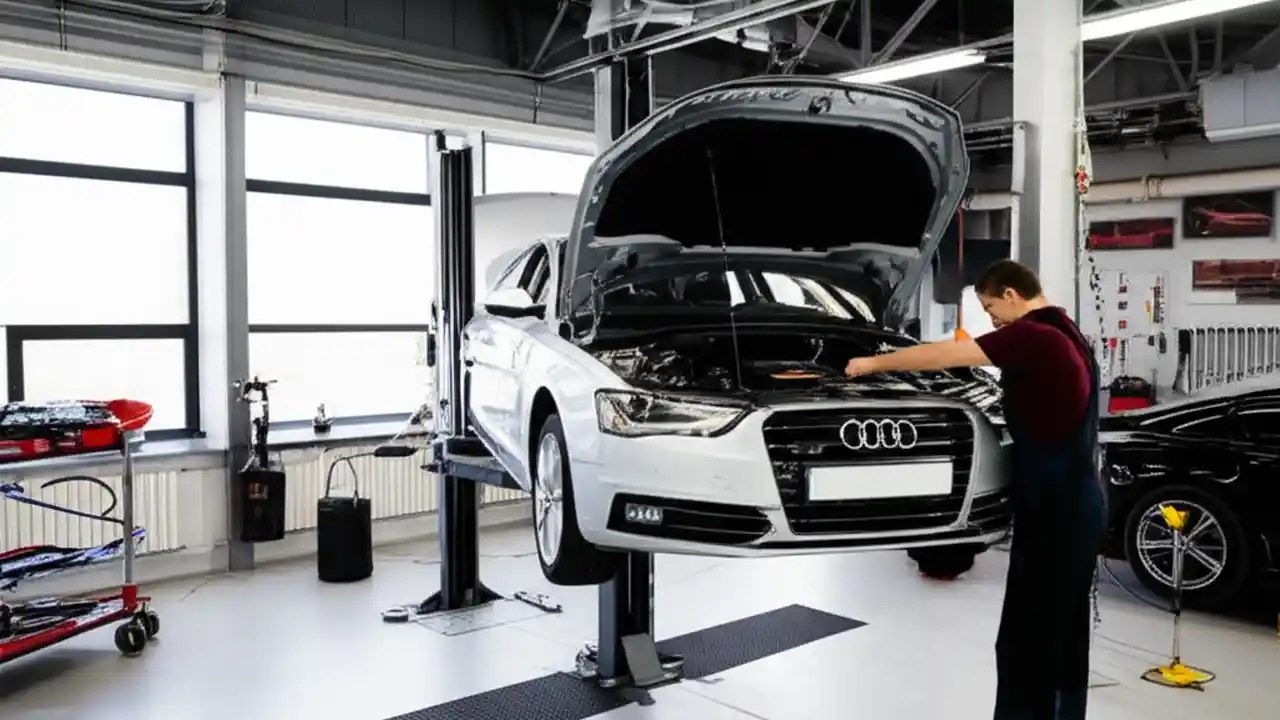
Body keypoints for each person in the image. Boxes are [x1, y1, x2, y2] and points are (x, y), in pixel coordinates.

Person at [845, 259, 1105, 720]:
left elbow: (945, 355)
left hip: (1055, 508)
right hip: (1078, 501)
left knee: (1029, 634)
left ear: (1011, 293)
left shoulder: (1033, 336)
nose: (991, 320)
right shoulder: (1069, 332)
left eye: (990, 308)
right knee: (1063, 631)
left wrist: (873, 362)